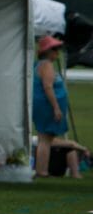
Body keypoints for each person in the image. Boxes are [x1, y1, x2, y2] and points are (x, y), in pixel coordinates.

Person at [33, 35, 82, 177]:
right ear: (47, 51)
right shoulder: (46, 65)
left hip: (43, 106)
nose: (57, 52)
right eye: (54, 49)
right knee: (45, 139)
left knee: (45, 139)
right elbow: (48, 87)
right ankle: (42, 170)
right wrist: (56, 107)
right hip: (47, 106)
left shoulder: (40, 64)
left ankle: (41, 169)